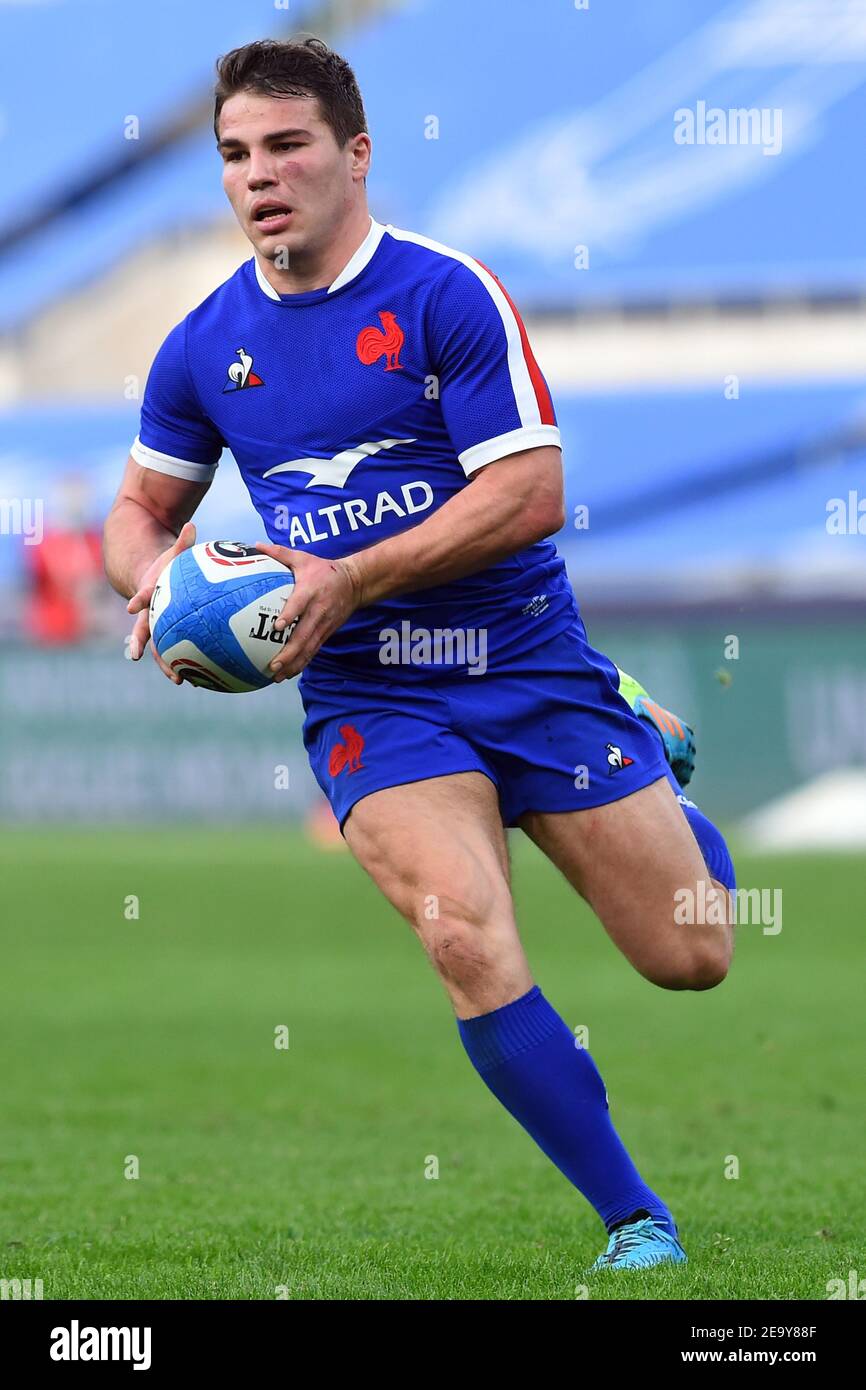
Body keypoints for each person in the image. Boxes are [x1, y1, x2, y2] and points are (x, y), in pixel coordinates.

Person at [103, 37, 736, 1272]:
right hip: (369, 696)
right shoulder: (200, 346)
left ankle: (652, 756)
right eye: (234, 155)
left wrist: (344, 575)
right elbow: (139, 511)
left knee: (691, 951)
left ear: (355, 153)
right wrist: (155, 583)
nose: (258, 177)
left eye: (285, 146)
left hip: (527, 663)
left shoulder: (444, 294)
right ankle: (634, 1219)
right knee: (460, 932)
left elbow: (532, 493)